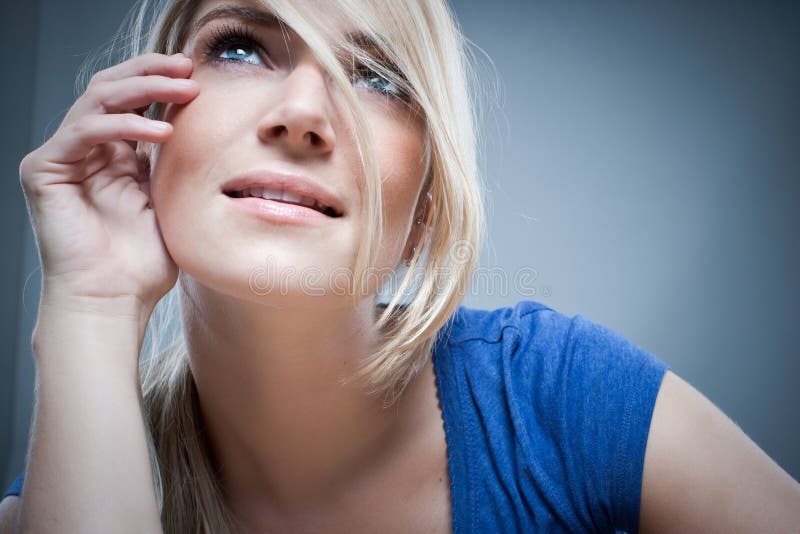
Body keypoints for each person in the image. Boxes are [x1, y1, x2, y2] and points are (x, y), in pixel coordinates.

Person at [1, 0, 799, 532]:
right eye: (243, 48)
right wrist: (93, 305)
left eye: (379, 79)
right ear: (151, 125)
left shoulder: (562, 398)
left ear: (424, 208)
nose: (305, 115)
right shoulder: (74, 487)